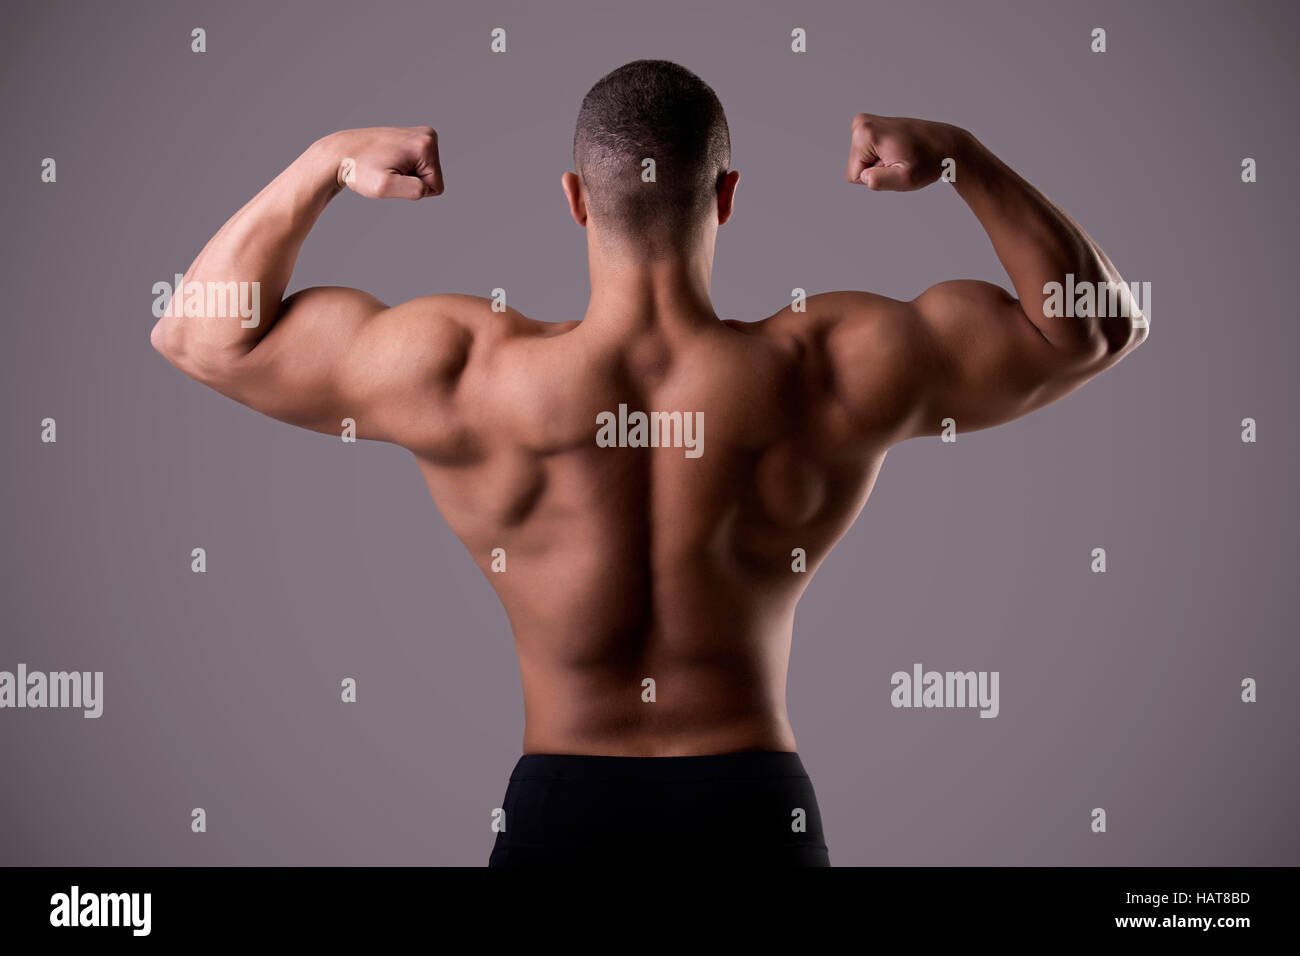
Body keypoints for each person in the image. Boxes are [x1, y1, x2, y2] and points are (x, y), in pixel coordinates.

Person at [150, 59, 1146, 866]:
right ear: (726, 194)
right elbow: (1092, 330)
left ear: (576, 198)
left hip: (562, 808)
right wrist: (959, 159)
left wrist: (326, 162)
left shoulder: (467, 371)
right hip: (752, 809)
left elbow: (202, 338)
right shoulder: (827, 367)